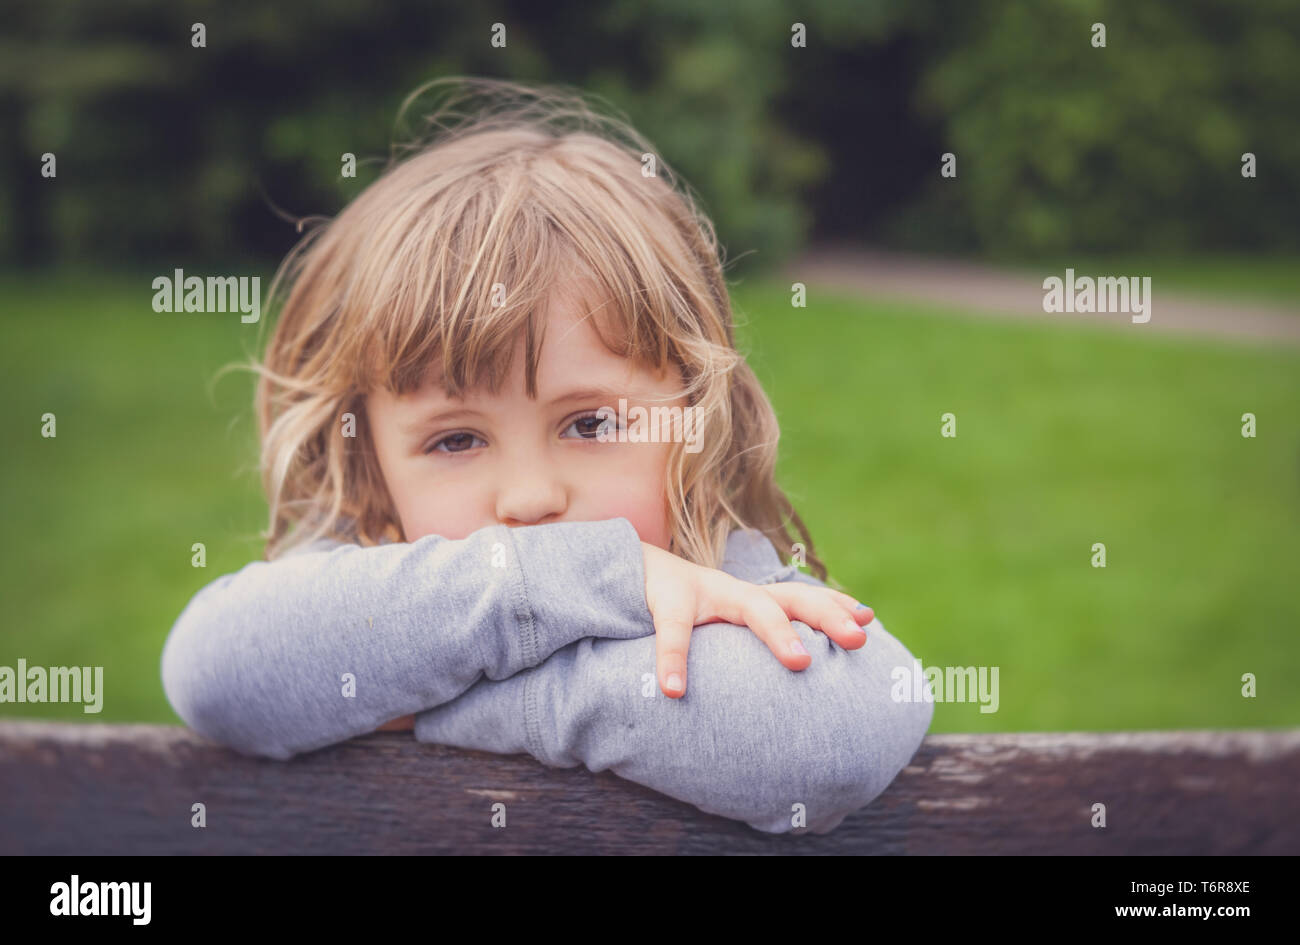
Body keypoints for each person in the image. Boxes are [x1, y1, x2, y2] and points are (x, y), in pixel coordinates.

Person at [160, 77, 933, 834]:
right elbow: (213, 670)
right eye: (456, 438)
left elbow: (819, 742)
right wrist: (564, 584)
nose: (529, 499)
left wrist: (439, 697)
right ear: (371, 464)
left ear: (696, 415)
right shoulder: (374, 560)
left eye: (591, 425)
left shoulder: (724, 581)